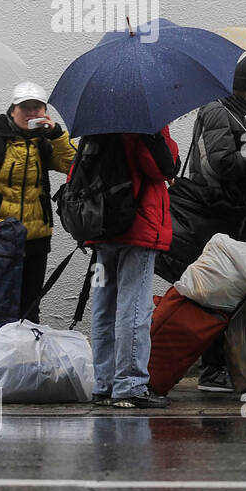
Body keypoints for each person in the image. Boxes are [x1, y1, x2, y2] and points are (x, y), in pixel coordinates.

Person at [172, 52, 246, 393]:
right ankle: (212, 370)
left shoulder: (236, 113)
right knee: (218, 293)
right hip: (220, 216)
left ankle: (221, 367)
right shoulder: (218, 109)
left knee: (229, 293)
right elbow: (220, 164)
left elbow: (232, 152)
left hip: (234, 216)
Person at [0, 82, 77, 322]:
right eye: (24, 107)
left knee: (30, 308)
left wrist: (58, 134)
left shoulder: (45, 144)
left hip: (37, 238)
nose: (31, 112)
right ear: (12, 111)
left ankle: (26, 355)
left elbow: (76, 167)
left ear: (44, 112)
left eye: (37, 107)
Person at [88, 128, 179, 408]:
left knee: (105, 306)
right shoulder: (146, 122)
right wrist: (166, 140)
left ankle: (104, 384)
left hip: (103, 228)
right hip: (137, 227)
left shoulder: (97, 125)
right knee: (135, 306)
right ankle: (130, 385)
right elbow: (160, 167)